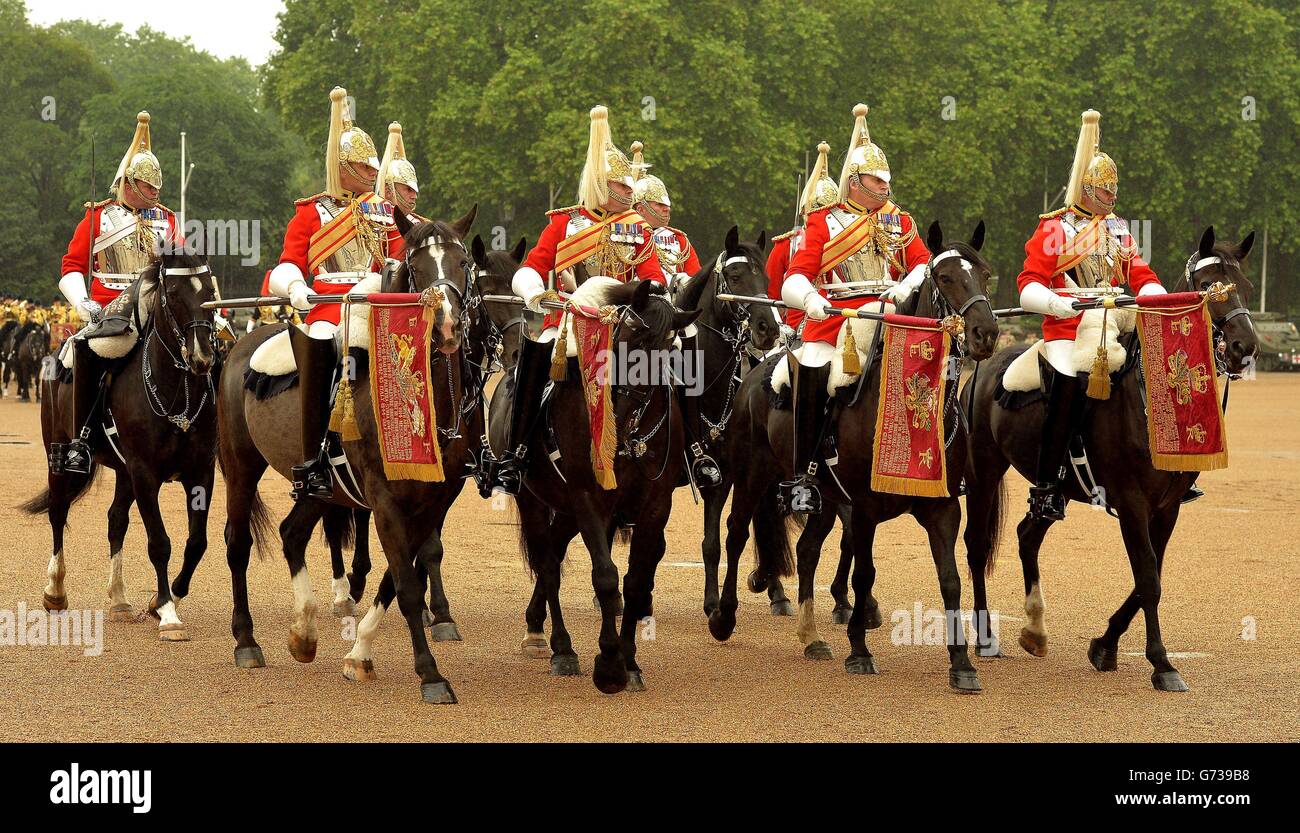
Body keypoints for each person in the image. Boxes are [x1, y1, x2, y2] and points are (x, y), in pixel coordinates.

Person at [486, 105, 667, 495]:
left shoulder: (637, 230)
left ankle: (688, 450)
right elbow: (530, 269)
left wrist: (647, 297)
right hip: (567, 323)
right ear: (601, 185)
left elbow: (654, 279)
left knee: (675, 365)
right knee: (531, 364)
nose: (629, 192)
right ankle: (515, 455)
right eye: (621, 186)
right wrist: (535, 293)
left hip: (623, 326)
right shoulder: (563, 224)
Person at [1016, 109, 1169, 520]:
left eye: (1114, 190)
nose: (1112, 197)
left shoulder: (1119, 228)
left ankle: (1166, 464)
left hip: (1114, 319)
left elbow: (1141, 273)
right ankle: (1048, 484)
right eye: (1105, 190)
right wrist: (1057, 302)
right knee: (1067, 381)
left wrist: (1156, 297)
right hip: (1069, 325)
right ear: (1085, 189)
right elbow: (1029, 283)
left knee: (1156, 365)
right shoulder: (1055, 228)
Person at [779, 104, 931, 512]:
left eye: (886, 180)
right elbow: (794, 277)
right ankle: (804, 475)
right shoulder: (823, 222)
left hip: (890, 315)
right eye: (875, 180)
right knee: (812, 370)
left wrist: (906, 286)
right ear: (853, 182)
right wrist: (811, 300)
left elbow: (923, 262)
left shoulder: (900, 221)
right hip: (836, 321)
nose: (884, 187)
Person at [266, 87, 405, 499]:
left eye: (371, 165)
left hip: (376, 302)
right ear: (342, 167)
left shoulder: (383, 212)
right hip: (328, 307)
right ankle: (314, 457)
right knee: (323, 349)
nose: (369, 172)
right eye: (361, 165)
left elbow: (399, 257)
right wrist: (295, 288)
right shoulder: (312, 212)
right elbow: (289, 260)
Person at [52, 111, 183, 474]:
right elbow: (72, 267)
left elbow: (183, 269)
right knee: (89, 351)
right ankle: (82, 438)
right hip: (113, 310)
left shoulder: (168, 220)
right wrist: (82, 302)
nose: (156, 194)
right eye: (148, 186)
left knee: (205, 351)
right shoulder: (98, 217)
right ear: (128, 183)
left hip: (159, 307)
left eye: (158, 187)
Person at [768, 140, 840, 332]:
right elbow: (771, 295)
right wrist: (779, 327)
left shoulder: (850, 239)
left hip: (840, 322)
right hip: (796, 329)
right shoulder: (786, 246)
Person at [376, 122, 425, 224]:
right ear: (388, 191)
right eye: (408, 189)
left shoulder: (418, 224)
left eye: (414, 190)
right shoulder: (374, 223)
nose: (414, 196)